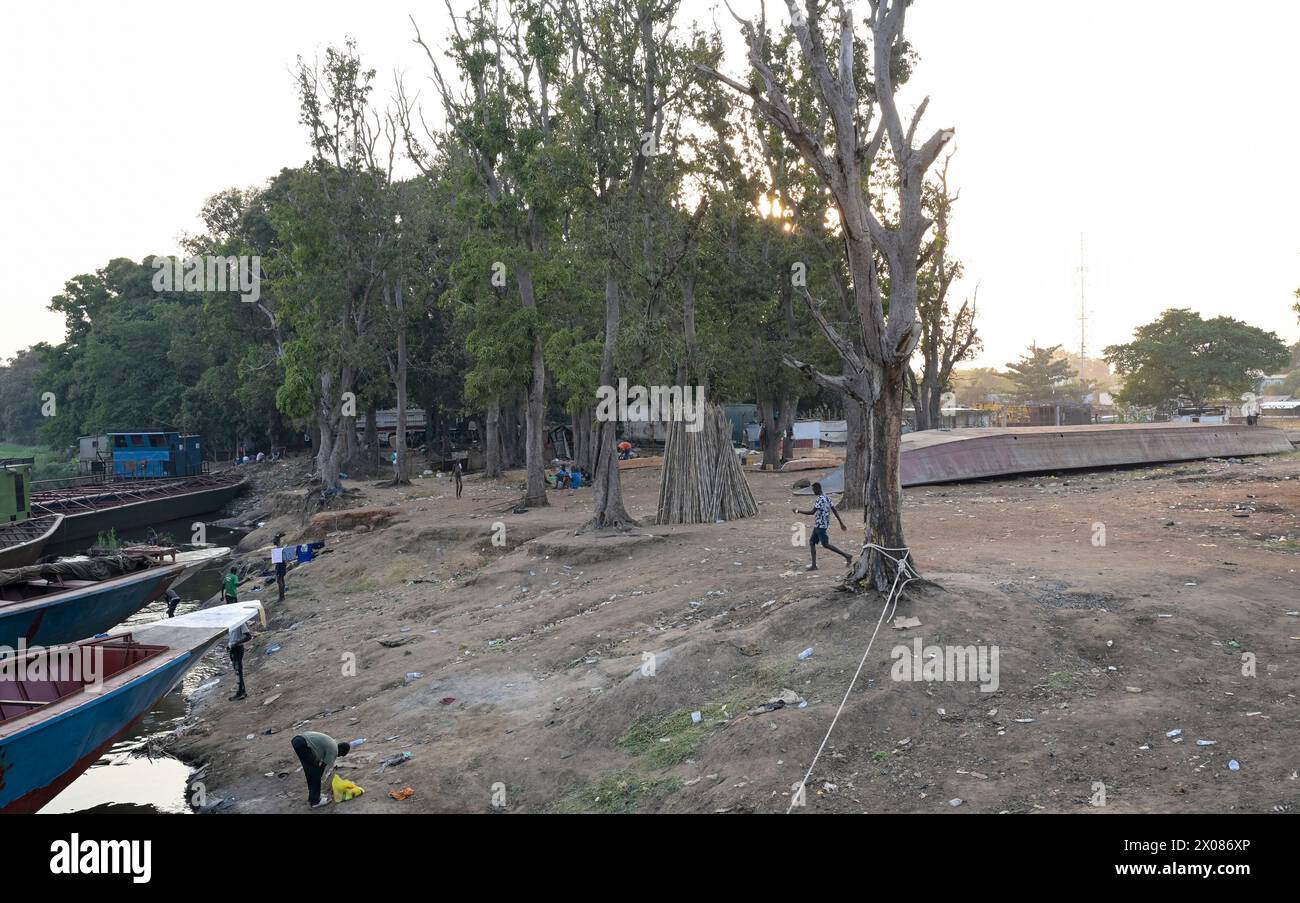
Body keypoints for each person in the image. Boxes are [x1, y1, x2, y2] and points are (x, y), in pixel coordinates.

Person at [792, 482, 853, 571]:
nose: (813, 492)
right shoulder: (827, 498)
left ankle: (847, 556)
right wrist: (841, 523)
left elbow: (812, 512)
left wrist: (798, 511)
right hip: (822, 524)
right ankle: (814, 565)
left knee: (825, 544)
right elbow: (834, 510)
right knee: (812, 542)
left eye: (813, 490)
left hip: (820, 525)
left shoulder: (820, 499)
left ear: (817, 489)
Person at [291, 731, 351, 808]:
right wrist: (319, 778)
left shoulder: (332, 743)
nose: (339, 756)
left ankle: (314, 796)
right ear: (342, 751)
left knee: (310, 771)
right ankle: (315, 801)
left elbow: (318, 758)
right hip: (303, 743)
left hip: (299, 740)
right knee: (315, 772)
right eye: (341, 755)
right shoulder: (334, 750)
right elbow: (323, 766)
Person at [228, 617, 251, 701]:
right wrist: (230, 645)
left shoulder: (240, 622)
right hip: (233, 649)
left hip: (238, 648)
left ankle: (241, 693)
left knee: (238, 671)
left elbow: (248, 636)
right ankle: (241, 691)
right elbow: (232, 637)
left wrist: (236, 643)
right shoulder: (230, 623)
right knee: (237, 671)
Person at [272, 533, 287, 603]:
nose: (273, 541)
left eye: (274, 539)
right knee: (282, 580)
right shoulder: (281, 547)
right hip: (283, 565)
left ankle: (281, 597)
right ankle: (282, 596)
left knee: (279, 580)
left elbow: (277, 559)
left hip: (280, 565)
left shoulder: (278, 548)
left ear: (277, 540)